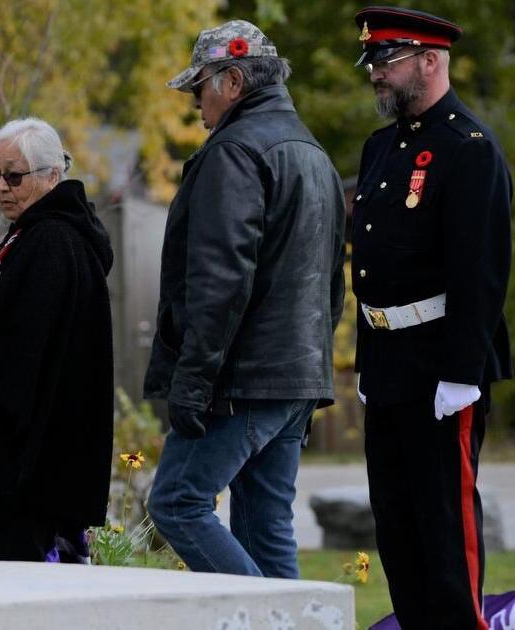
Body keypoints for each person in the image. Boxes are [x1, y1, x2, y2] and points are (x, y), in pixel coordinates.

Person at [143, 20, 347, 578]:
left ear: (232, 81)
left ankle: (257, 617)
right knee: (264, 525)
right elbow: (333, 284)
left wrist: (193, 382)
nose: (195, 105)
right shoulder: (313, 154)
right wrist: (311, 365)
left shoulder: (233, 152)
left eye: (199, 88)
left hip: (241, 380)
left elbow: (220, 282)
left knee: (177, 503)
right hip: (296, 378)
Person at [350, 6, 512, 628]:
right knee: (398, 531)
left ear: (430, 61)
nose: (376, 76)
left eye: (387, 62)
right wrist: (368, 358)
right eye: (373, 63)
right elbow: (370, 265)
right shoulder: (380, 148)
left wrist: (463, 371)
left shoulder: (467, 149)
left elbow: (482, 270)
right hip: (388, 363)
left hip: (443, 367)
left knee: (447, 537)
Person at [0, 118, 114, 562]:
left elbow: (24, 341)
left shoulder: (53, 239)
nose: (1, 187)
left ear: (52, 177)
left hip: (32, 466)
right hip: (32, 464)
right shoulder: (38, 233)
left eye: (14, 176)